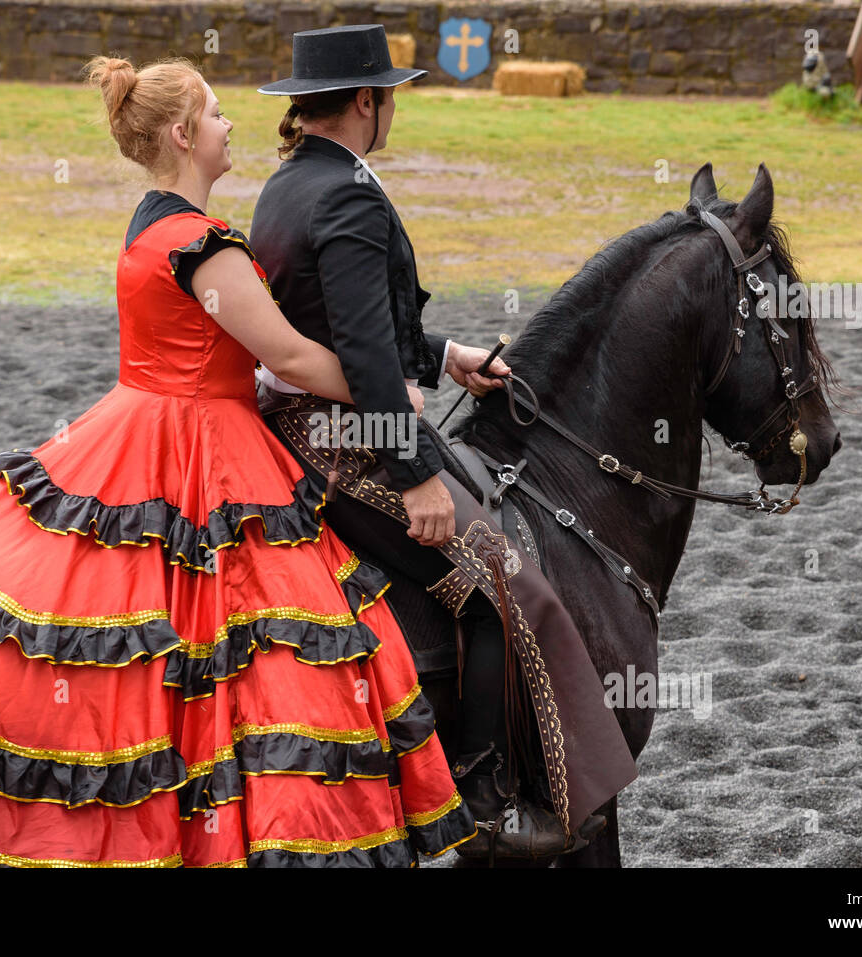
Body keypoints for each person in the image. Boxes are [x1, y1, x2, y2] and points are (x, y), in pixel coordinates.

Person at [0, 54, 476, 868]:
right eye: (219, 114)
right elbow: (292, 357)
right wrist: (389, 396)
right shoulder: (203, 244)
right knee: (249, 632)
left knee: (135, 620)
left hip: (137, 423)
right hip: (198, 442)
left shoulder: (153, 221)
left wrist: (429, 357)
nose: (233, 129)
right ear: (186, 134)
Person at [250, 25, 636, 858]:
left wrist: (446, 356)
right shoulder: (349, 193)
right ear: (366, 101)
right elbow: (357, 348)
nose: (390, 108)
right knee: (505, 587)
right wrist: (416, 472)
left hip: (306, 420)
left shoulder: (289, 183)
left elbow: (350, 322)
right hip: (348, 440)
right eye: (387, 95)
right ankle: (487, 795)